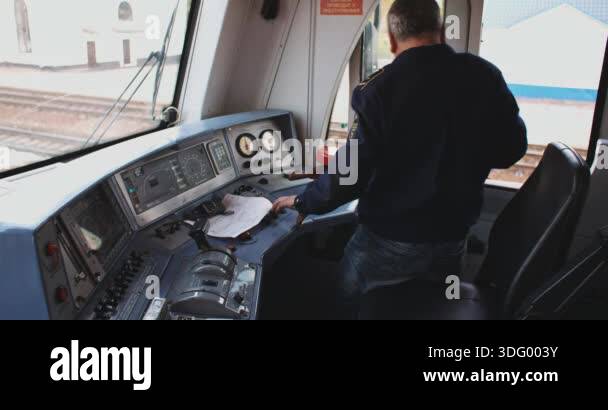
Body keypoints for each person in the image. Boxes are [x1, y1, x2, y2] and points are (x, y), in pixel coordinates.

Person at [272, 0, 528, 319]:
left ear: (392, 40)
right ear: (441, 33)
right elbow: (512, 149)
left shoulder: (379, 89)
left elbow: (351, 173)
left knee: (342, 303)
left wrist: (303, 202)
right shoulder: (485, 76)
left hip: (388, 242)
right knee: (430, 310)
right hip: (452, 239)